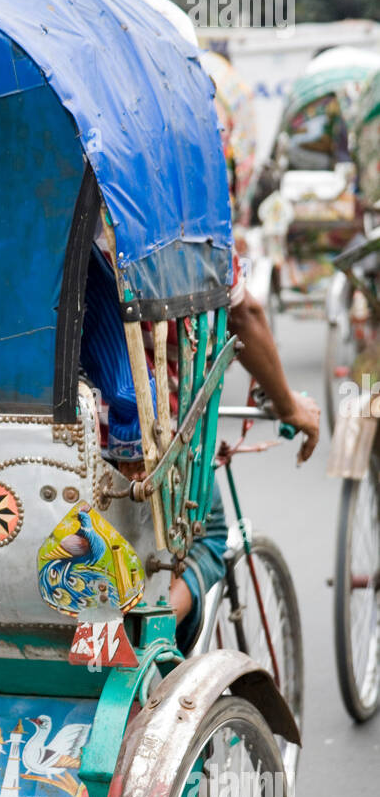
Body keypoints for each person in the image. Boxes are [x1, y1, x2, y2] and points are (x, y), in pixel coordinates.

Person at [81, 224, 320, 650]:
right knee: (209, 537)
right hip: (148, 443)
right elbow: (245, 315)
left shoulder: (44, 232)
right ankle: (147, 634)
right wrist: (289, 406)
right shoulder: (184, 225)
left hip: (50, 439)